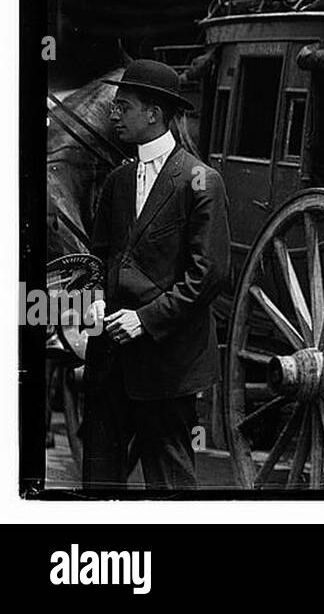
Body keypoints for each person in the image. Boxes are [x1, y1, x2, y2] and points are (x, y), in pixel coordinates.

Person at [82, 60, 230, 488]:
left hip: (168, 366)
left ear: (154, 113)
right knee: (99, 484)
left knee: (169, 487)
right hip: (108, 363)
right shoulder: (118, 180)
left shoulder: (201, 180)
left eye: (123, 107)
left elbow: (209, 274)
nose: (114, 115)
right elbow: (100, 257)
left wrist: (144, 320)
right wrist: (93, 299)